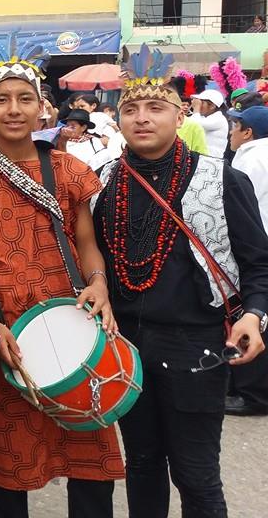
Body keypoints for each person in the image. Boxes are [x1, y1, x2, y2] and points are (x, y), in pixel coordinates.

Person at [0, 34, 123, 518]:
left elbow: (86, 242)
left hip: (75, 322)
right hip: (9, 334)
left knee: (91, 467)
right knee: (10, 469)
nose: (14, 109)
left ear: (42, 107)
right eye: (2, 99)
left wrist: (99, 283)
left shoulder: (68, 169)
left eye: (25, 99)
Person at [93, 45, 268, 518]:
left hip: (196, 346)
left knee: (196, 474)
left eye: (155, 107)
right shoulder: (102, 182)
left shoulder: (220, 179)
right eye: (131, 108)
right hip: (124, 346)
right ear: (118, 118)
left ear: (180, 115)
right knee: (142, 464)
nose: (142, 118)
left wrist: (254, 314)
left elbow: (259, 263)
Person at [224, 104, 268, 418]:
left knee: (253, 316)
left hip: (256, 242)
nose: (231, 132)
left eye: (235, 126)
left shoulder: (250, 158)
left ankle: (252, 393)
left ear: (247, 132)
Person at [59, 108, 118, 174]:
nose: (68, 129)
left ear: (83, 128)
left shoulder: (94, 142)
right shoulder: (60, 140)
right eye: (67, 126)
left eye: (73, 127)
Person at [188, 88, 229, 157]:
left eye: (201, 103)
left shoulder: (219, 119)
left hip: (212, 159)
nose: (199, 105)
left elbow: (195, 124)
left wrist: (196, 108)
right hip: (203, 157)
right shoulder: (204, 118)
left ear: (212, 106)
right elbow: (188, 123)